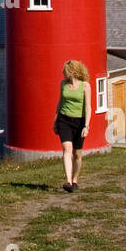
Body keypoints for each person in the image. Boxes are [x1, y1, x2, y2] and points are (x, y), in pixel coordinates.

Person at [53, 59, 89, 192]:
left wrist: (86, 126)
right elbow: (60, 102)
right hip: (64, 119)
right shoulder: (63, 84)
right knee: (67, 149)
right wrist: (56, 120)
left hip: (79, 121)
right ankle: (68, 181)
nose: (63, 73)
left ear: (72, 71)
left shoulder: (85, 86)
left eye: (65, 71)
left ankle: (75, 180)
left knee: (77, 153)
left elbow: (88, 107)